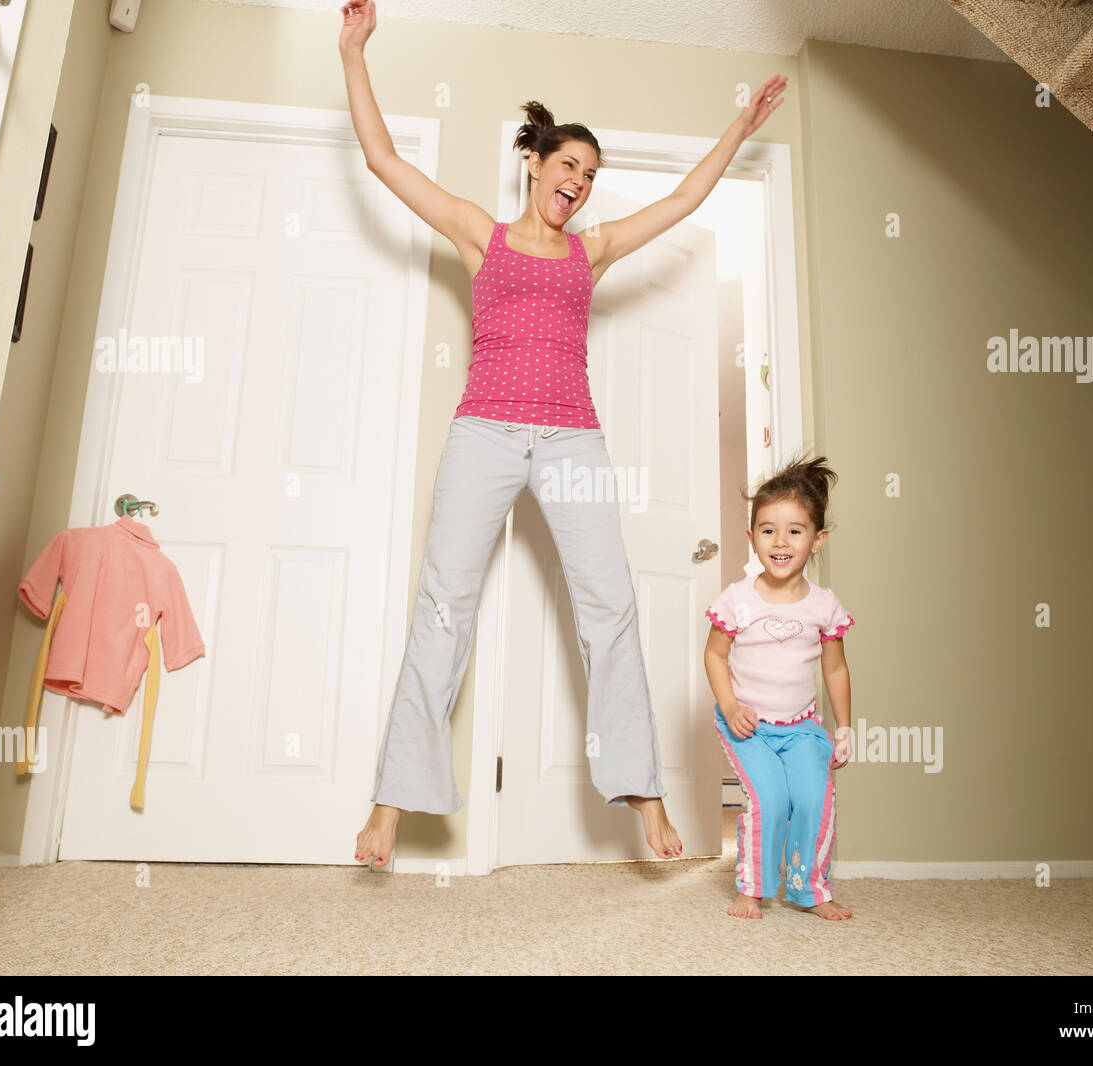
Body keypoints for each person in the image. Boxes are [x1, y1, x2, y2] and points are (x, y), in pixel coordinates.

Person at [338, 0, 788, 868]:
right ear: (535, 163)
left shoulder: (597, 248)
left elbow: (687, 197)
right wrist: (354, 53)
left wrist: (740, 125)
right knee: (443, 606)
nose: (578, 181)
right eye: (568, 164)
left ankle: (645, 799)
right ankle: (391, 806)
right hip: (486, 432)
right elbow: (384, 160)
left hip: (572, 440)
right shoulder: (483, 234)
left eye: (590, 173)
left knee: (609, 608)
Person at [703, 454, 855, 919]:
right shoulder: (737, 599)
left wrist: (844, 727)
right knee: (770, 799)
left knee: (813, 799)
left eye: (795, 530)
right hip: (747, 726)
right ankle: (753, 888)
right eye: (768, 530)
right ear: (752, 539)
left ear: (817, 539)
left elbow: (834, 669)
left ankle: (810, 889)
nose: (781, 541)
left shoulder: (825, 606)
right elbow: (715, 655)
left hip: (803, 727)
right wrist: (729, 706)